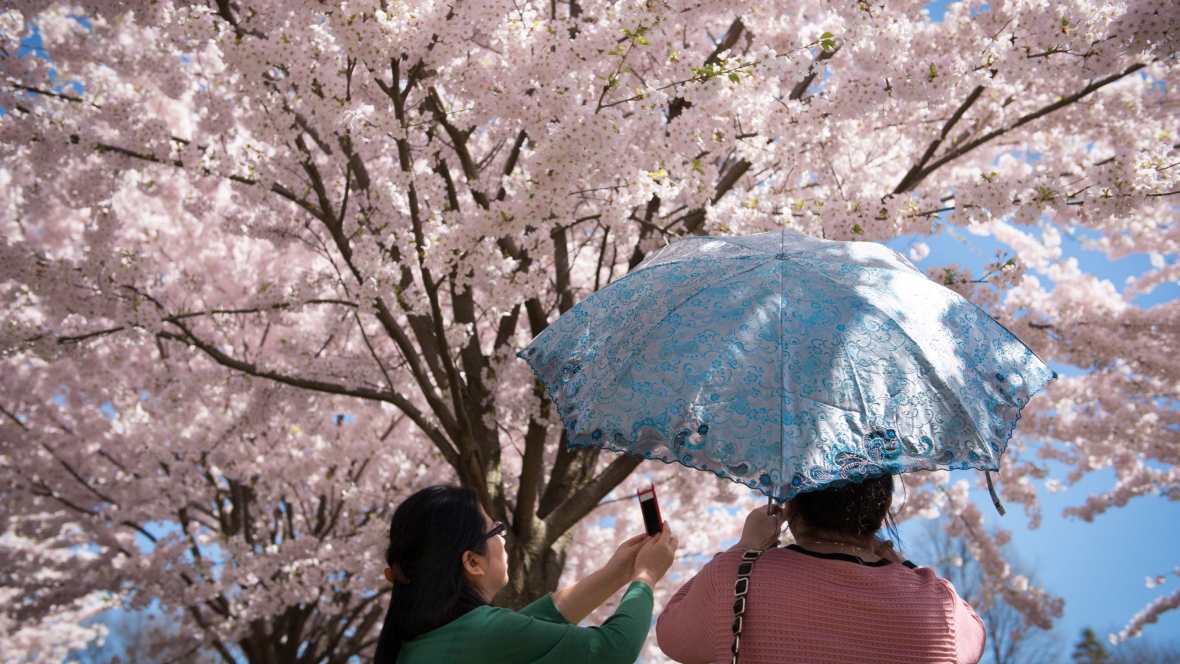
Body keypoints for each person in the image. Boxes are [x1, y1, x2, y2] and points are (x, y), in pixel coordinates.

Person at [656, 474, 986, 664]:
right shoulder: (939, 604)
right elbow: (975, 635)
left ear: (791, 504)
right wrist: (901, 563)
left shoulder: (739, 577)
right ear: (884, 507)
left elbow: (672, 633)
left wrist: (745, 548)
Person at [373, 484, 679, 663]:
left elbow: (534, 624)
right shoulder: (483, 633)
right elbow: (615, 649)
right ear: (473, 563)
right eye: (495, 529)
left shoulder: (422, 641)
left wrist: (616, 574)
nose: (502, 536)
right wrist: (647, 575)